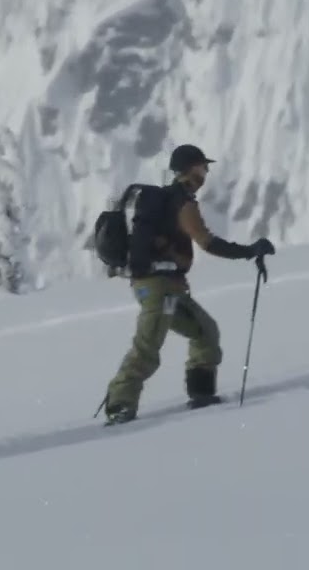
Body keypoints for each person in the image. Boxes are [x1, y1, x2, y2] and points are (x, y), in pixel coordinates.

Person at [101, 144, 275, 425]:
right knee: (148, 348)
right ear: (190, 169)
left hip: (160, 285)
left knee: (205, 332)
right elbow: (207, 242)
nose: (205, 172)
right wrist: (249, 251)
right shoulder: (182, 203)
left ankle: (202, 394)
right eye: (202, 167)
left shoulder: (168, 200)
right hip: (160, 288)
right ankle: (120, 405)